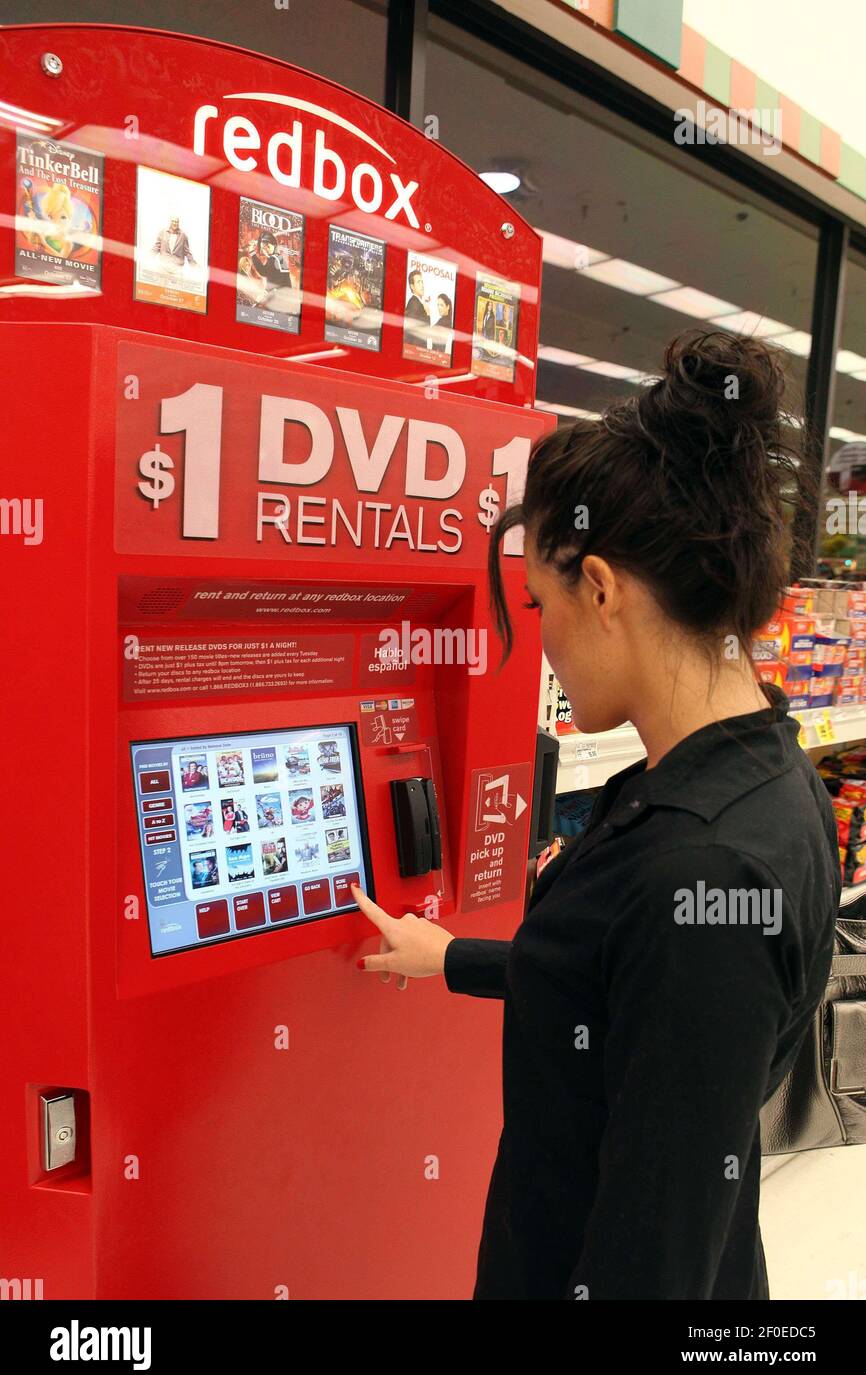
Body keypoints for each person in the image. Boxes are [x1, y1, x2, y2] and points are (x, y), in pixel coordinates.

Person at [352, 329, 840, 1300]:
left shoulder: (696, 871)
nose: (541, 644)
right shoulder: (765, 779)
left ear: (602, 589)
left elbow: (650, 1255)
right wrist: (448, 955)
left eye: (539, 606)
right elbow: (624, 989)